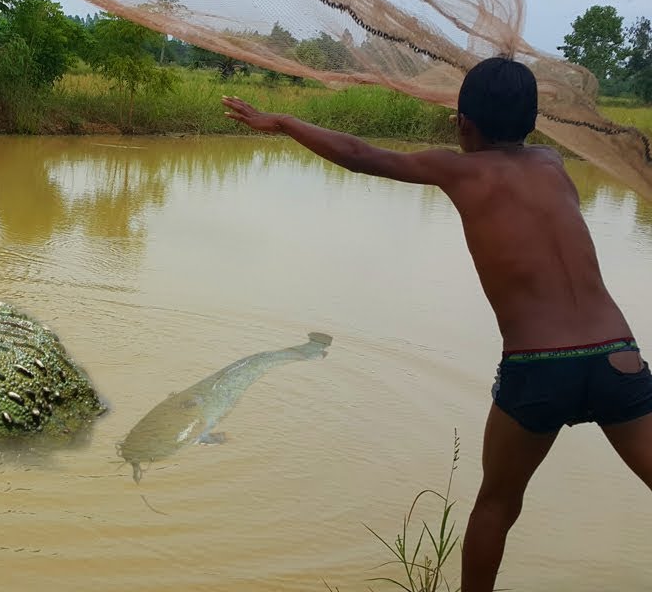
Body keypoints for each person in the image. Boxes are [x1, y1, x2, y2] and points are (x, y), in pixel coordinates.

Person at [220, 56, 652, 592]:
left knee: (497, 504)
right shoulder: (551, 162)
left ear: (463, 123)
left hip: (539, 367)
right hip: (618, 355)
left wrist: (282, 121)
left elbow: (359, 154)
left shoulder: (459, 169)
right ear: (532, 122)